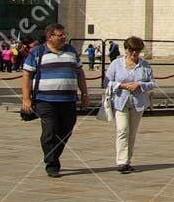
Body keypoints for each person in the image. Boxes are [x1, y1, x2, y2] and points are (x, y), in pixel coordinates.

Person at [21, 24, 89, 179]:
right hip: (45, 100)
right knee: (50, 131)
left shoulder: (71, 51)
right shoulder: (37, 52)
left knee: (66, 130)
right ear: (49, 37)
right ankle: (52, 164)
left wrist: (84, 94)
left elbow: (80, 72)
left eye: (64, 34)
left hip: (68, 100)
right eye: (60, 35)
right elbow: (26, 75)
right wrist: (26, 99)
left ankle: (53, 156)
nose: (64, 37)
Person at [104, 36, 156, 173]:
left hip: (138, 103)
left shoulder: (145, 65)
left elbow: (152, 83)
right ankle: (121, 162)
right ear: (126, 49)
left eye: (137, 50)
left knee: (132, 133)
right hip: (120, 102)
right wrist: (122, 85)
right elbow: (106, 82)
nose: (134, 53)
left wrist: (139, 84)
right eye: (132, 50)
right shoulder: (116, 64)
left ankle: (127, 160)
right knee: (122, 130)